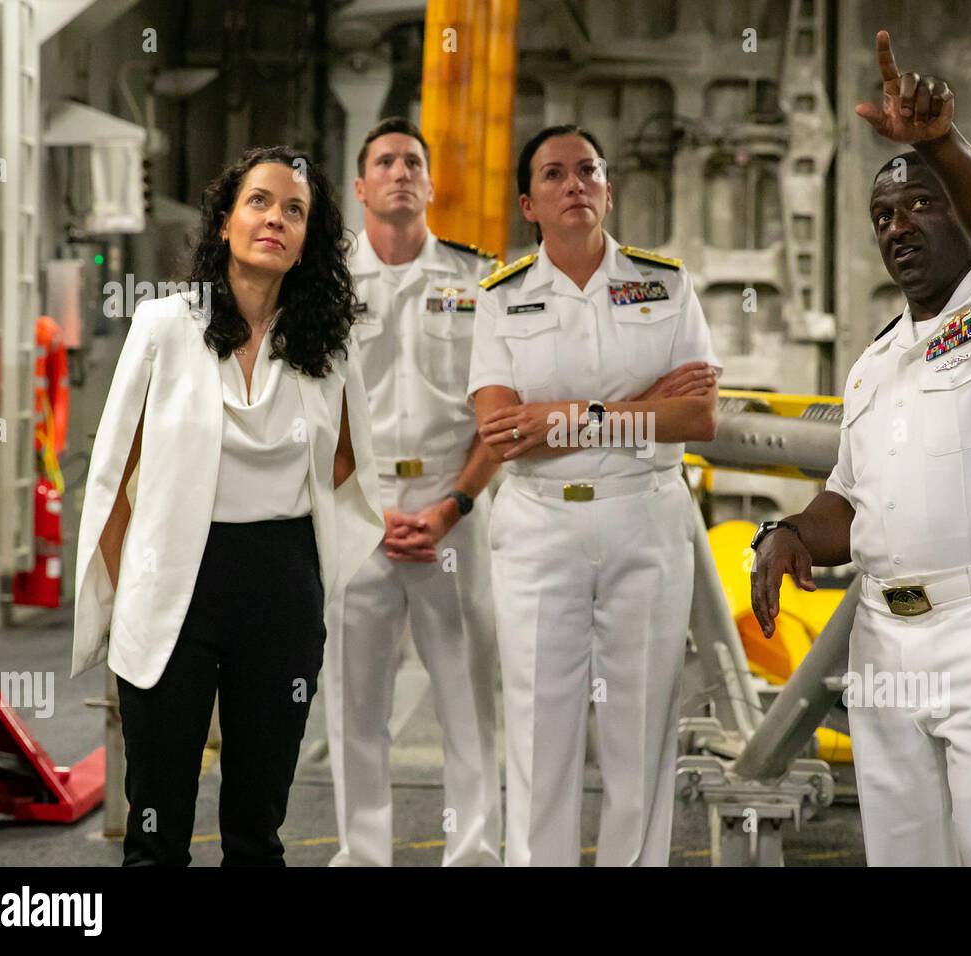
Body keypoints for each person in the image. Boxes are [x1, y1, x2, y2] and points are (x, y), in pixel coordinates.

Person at [750, 31, 971, 866]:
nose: (896, 225)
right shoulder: (876, 360)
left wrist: (938, 142)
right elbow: (852, 496)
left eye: (919, 204)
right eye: (882, 216)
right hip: (886, 640)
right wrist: (793, 532)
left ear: (965, 205)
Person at [71, 146, 383, 866]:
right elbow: (119, 470)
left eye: (295, 210)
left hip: (279, 581)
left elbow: (345, 460)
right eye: (260, 202)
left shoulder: (326, 342)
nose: (276, 218)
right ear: (223, 223)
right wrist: (129, 591)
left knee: (255, 829)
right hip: (172, 575)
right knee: (155, 831)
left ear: (308, 240)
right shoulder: (163, 326)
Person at [468, 124, 721, 866]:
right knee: (541, 731)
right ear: (528, 203)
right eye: (554, 175)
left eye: (588, 171)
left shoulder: (666, 283)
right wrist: (644, 404)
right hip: (541, 526)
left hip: (645, 515)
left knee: (640, 732)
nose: (574, 183)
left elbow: (699, 416)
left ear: (608, 191)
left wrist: (570, 416)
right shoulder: (500, 298)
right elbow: (503, 434)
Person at [323, 117, 502, 867]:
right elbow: (312, 410)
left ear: (430, 185)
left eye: (413, 162)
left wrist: (451, 505)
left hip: (452, 514)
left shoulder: (479, 280)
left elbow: (501, 415)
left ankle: (474, 853)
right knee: (356, 707)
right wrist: (361, 508)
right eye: (385, 162)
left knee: (469, 701)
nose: (400, 172)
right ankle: (363, 856)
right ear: (360, 187)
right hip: (356, 514)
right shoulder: (322, 287)